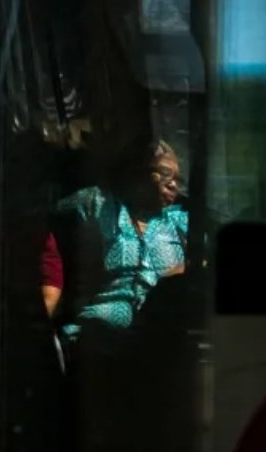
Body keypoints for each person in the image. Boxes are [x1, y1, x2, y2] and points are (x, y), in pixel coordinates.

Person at [55, 139, 187, 345]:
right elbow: (49, 213)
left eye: (177, 179)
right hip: (99, 335)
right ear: (138, 174)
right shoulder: (98, 203)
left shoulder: (180, 223)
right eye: (164, 174)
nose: (173, 184)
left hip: (160, 340)